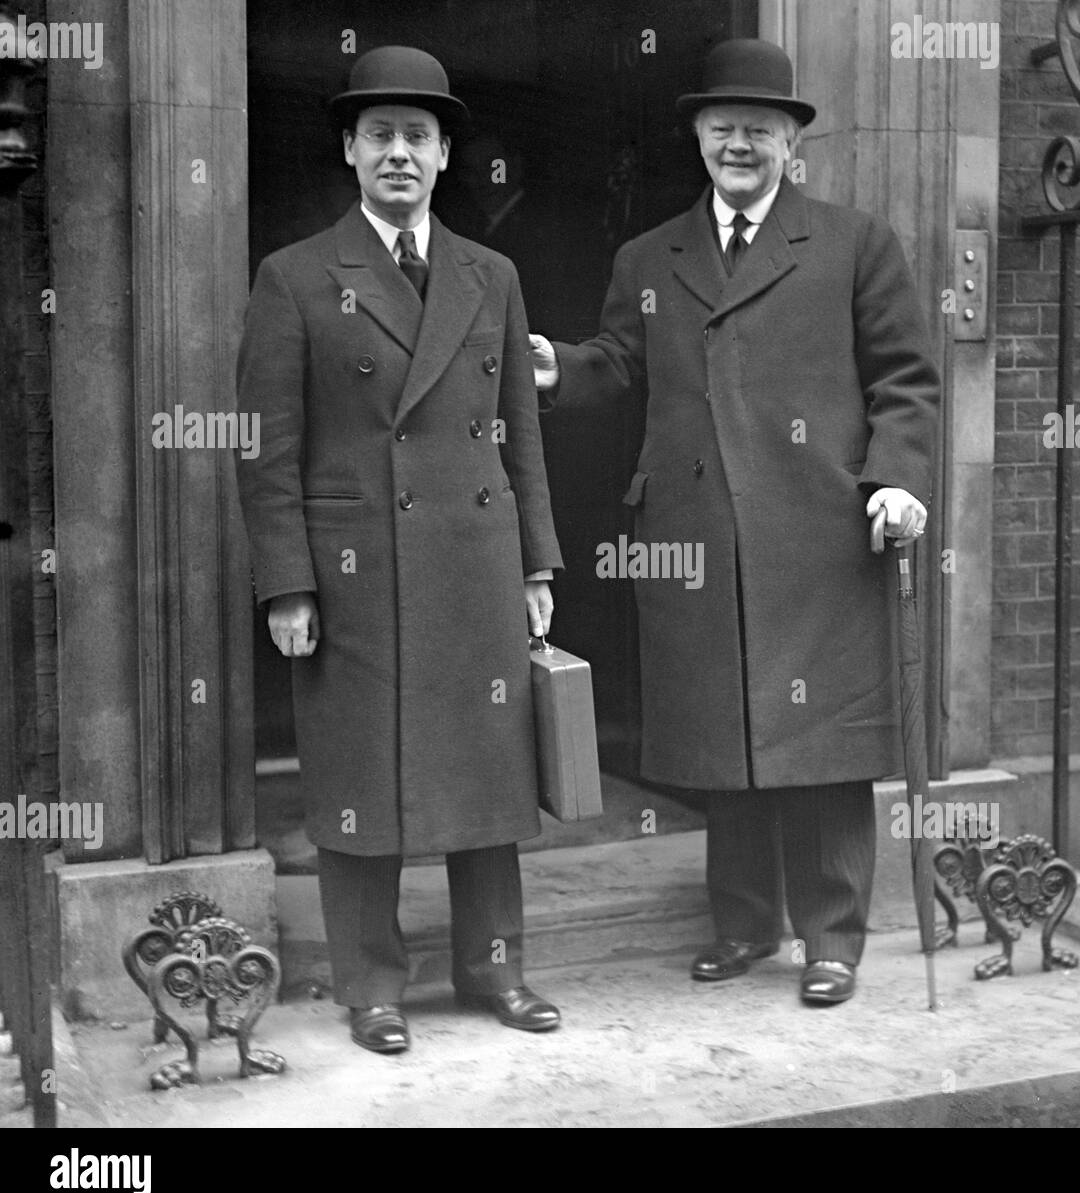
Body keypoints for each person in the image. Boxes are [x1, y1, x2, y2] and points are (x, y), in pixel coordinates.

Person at [531, 39, 940, 1005]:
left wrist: (895, 479)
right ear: (700, 138)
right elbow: (619, 362)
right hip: (697, 533)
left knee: (822, 741)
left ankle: (831, 940)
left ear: (793, 143)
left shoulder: (853, 243)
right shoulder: (650, 256)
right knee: (727, 734)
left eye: (760, 129)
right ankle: (745, 925)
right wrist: (556, 368)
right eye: (723, 129)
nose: (739, 145)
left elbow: (905, 379)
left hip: (822, 534)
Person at [236, 46, 564, 1053]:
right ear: (349, 149)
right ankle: (370, 986)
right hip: (356, 572)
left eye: (417, 136)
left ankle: (494, 969)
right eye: (378, 134)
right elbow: (268, 450)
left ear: (444, 154)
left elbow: (519, 432)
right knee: (358, 774)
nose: (398, 154)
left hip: (475, 557)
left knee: (490, 769)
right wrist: (288, 584)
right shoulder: (295, 276)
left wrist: (536, 563)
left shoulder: (491, 275)